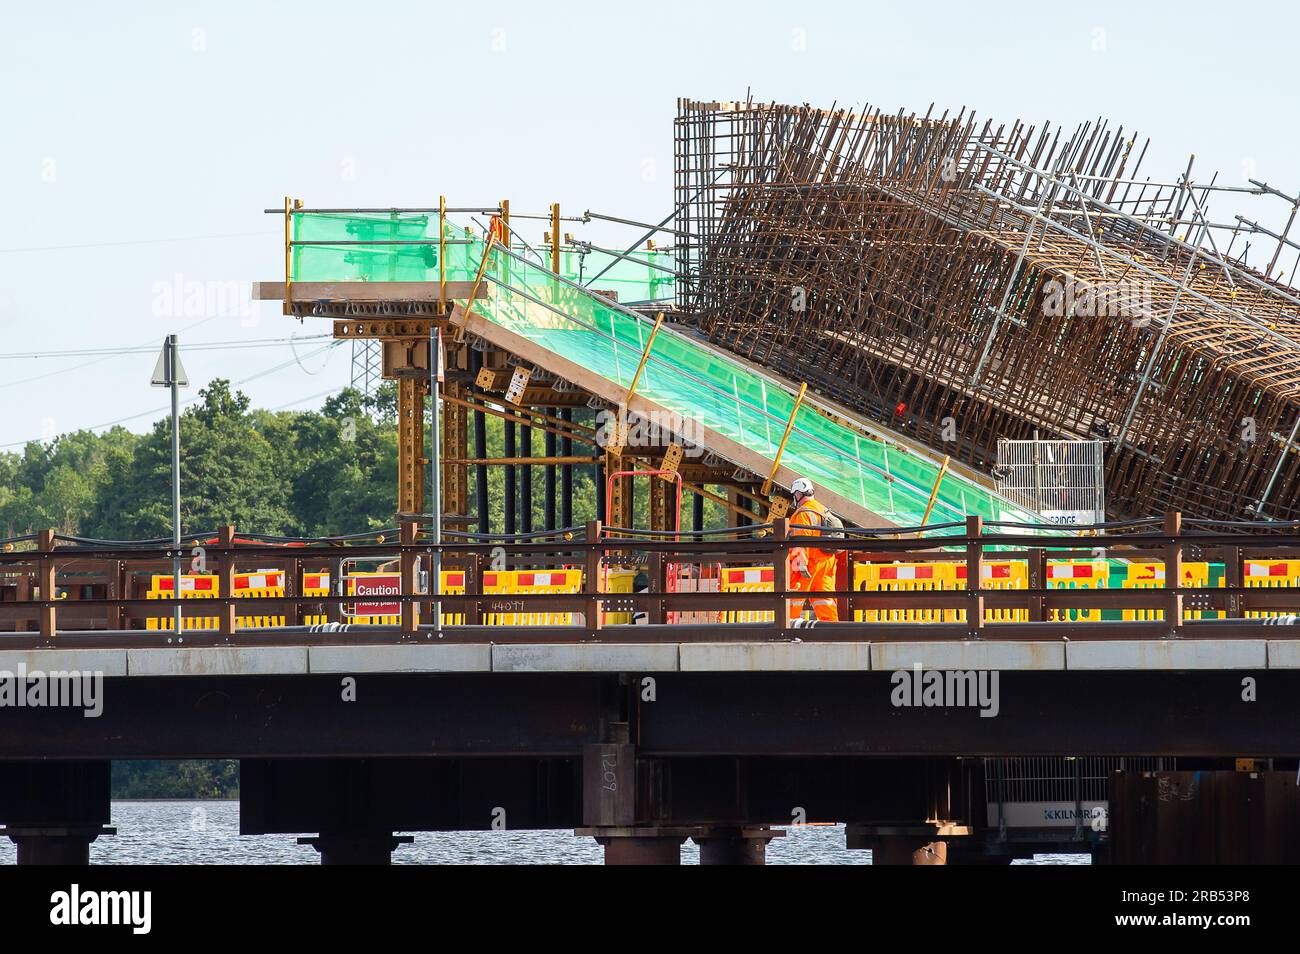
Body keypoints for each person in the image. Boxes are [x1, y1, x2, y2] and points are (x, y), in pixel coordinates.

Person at [787, 477, 839, 623]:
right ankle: (833, 633)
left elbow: (801, 542)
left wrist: (800, 566)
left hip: (808, 565)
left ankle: (786, 632)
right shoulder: (822, 510)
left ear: (798, 494)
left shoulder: (802, 514)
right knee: (825, 602)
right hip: (826, 563)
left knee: (792, 602)